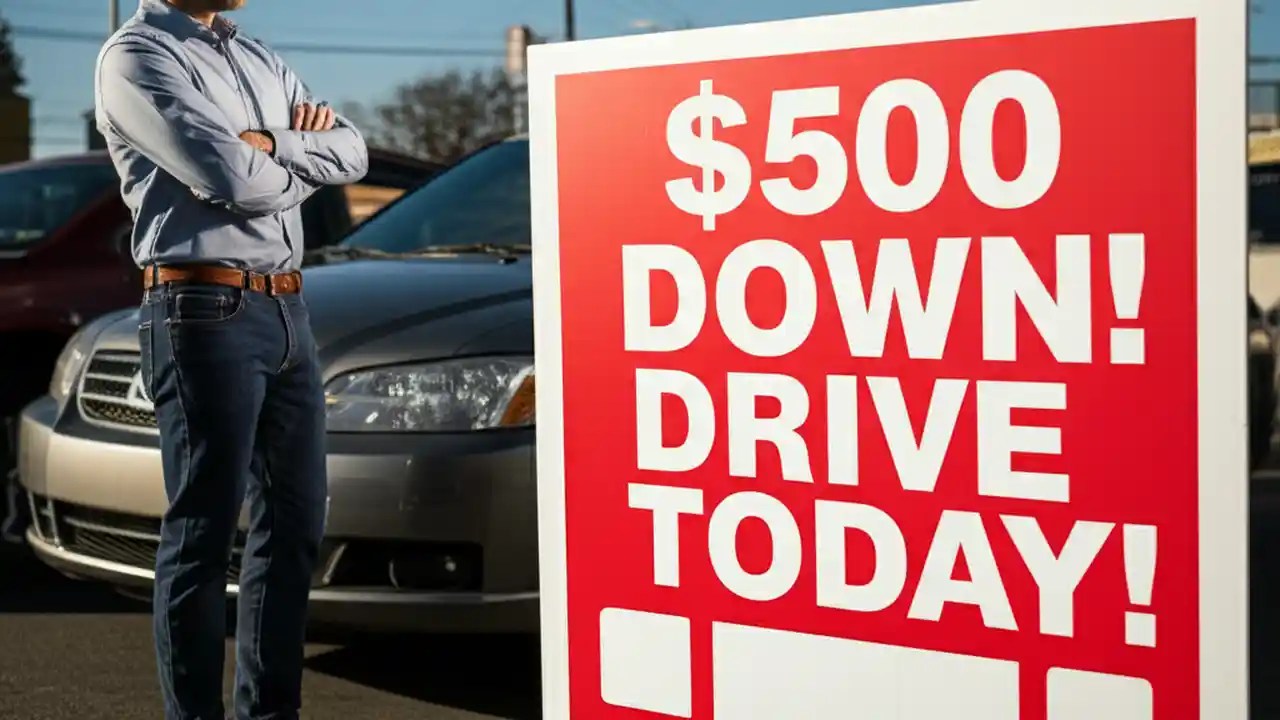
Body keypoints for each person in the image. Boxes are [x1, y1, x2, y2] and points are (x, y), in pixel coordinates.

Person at [93, 1, 368, 718]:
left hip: (287, 309)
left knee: (296, 523)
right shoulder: (138, 56)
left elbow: (356, 151)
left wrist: (265, 143)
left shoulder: (260, 58)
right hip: (201, 310)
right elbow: (232, 179)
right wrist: (293, 157)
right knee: (203, 534)